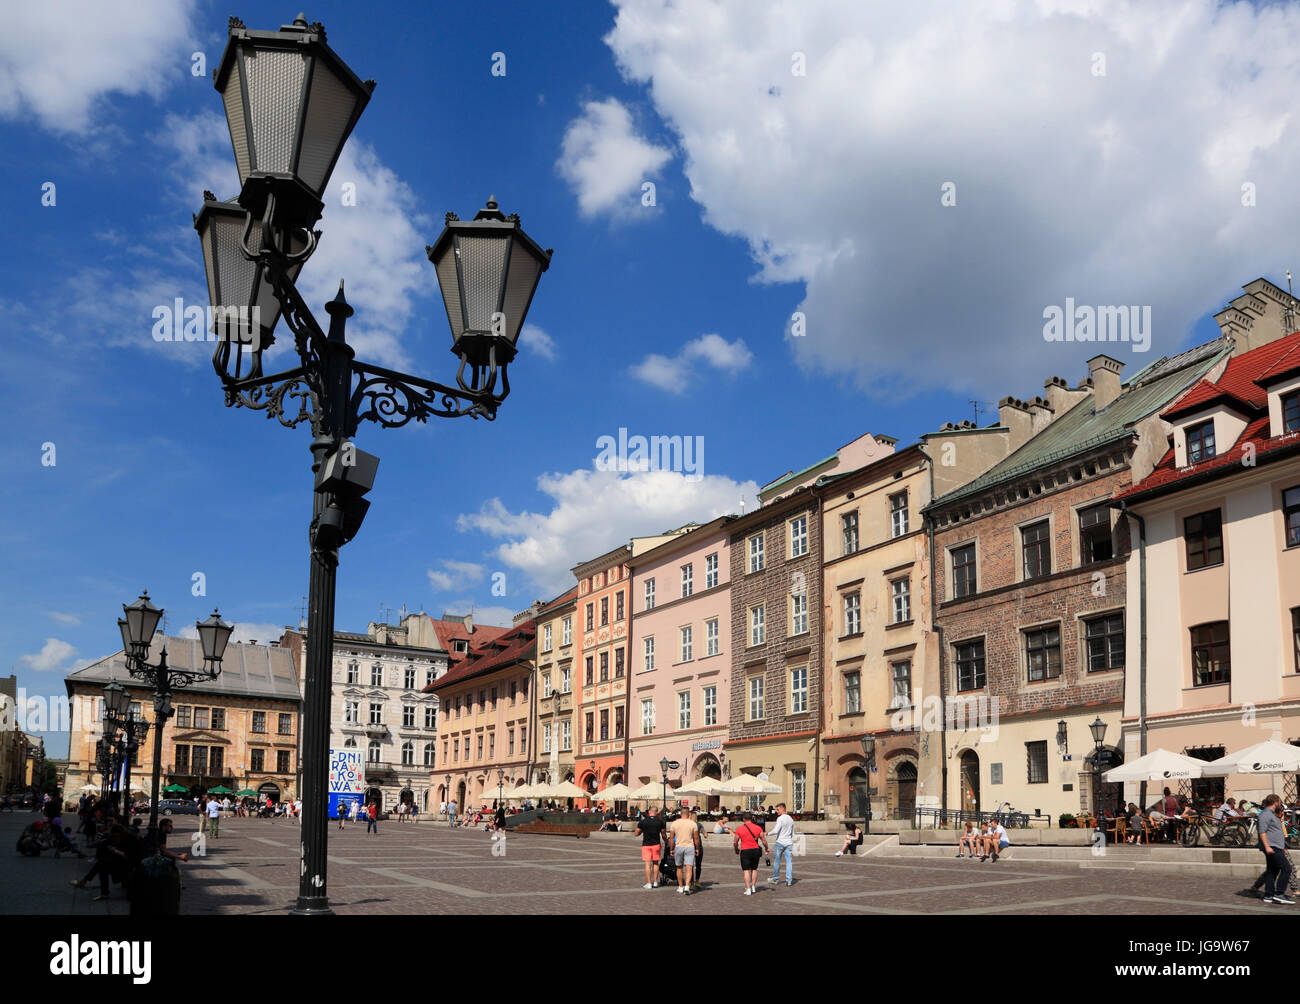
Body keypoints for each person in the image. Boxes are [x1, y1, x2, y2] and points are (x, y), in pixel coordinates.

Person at [1255, 794, 1294, 904]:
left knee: (1272, 871)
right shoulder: (1265, 814)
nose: (1280, 805)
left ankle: (1268, 895)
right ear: (1275, 802)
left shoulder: (1271, 814)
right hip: (1272, 847)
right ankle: (1279, 893)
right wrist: (1267, 846)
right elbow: (1262, 831)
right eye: (1280, 802)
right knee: (1287, 868)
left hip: (1275, 846)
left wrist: (1282, 847)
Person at [733, 812, 769, 896]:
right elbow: (764, 840)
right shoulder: (758, 828)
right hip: (755, 850)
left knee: (746, 870)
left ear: (743, 819)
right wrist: (766, 848)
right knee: (754, 869)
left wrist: (736, 849)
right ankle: (753, 887)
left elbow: (735, 841)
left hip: (745, 850)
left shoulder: (739, 829)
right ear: (752, 818)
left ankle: (748, 889)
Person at [668, 808, 700, 895]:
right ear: (688, 814)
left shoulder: (674, 823)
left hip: (678, 846)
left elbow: (671, 838)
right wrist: (697, 848)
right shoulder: (693, 823)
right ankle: (687, 886)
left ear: (680, 813)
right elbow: (696, 838)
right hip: (689, 847)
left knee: (679, 867)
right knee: (689, 867)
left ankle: (680, 887)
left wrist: (671, 849)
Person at [635, 806, 666, 889]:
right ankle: (655, 882)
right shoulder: (660, 822)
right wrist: (666, 841)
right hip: (656, 844)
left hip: (646, 845)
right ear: (656, 812)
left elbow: (636, 833)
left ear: (649, 812)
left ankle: (649, 883)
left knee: (647, 864)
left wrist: (643, 830)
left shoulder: (643, 821)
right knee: (656, 863)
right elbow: (663, 834)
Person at [767, 803, 796, 886]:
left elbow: (776, 831)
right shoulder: (791, 819)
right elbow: (792, 833)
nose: (777, 811)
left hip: (780, 842)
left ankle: (775, 878)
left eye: (778, 809)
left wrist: (767, 833)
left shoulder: (780, 818)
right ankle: (789, 880)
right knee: (789, 862)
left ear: (782, 809)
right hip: (789, 843)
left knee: (777, 861)